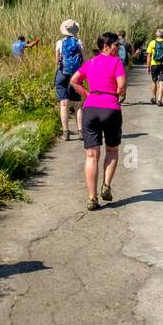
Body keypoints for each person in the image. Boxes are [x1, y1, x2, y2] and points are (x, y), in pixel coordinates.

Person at [69, 32, 126, 210]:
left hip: (90, 109)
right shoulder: (116, 62)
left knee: (91, 155)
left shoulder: (90, 62)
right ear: (106, 46)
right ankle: (106, 186)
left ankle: (92, 198)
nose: (118, 48)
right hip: (111, 109)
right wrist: (116, 93)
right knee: (112, 150)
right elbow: (122, 87)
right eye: (116, 45)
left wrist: (87, 94)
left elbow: (74, 80)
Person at [54, 20, 85, 141]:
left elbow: (57, 61)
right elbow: (83, 59)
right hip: (76, 75)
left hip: (63, 73)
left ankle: (65, 133)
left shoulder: (60, 42)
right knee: (77, 104)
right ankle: (81, 132)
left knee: (64, 104)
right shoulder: (79, 42)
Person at [145, 28, 163, 106]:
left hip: (154, 64)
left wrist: (148, 66)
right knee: (162, 81)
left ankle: (154, 97)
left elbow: (149, 55)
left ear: (156, 34)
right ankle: (159, 99)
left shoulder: (152, 43)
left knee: (154, 80)